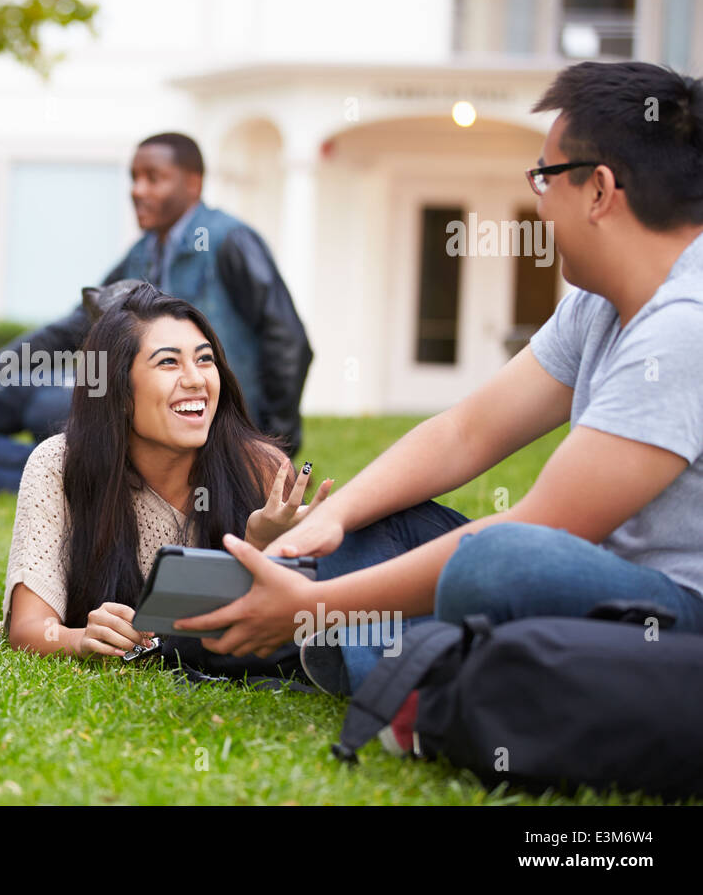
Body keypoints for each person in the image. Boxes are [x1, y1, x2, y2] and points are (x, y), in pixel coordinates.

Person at [176, 61, 703, 696]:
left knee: (502, 560)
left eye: (544, 176)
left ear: (599, 190)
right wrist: (333, 518)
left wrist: (321, 605)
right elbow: (467, 432)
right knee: (376, 519)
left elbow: (548, 527)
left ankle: (357, 653)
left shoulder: (684, 326)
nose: (537, 198)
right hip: (579, 584)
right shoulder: (597, 303)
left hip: (669, 611)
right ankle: (377, 653)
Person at [4, 283, 333, 658]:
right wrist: (78, 639)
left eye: (205, 359)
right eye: (168, 362)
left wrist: (261, 545)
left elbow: (288, 625)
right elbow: (30, 628)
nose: (195, 379)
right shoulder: (58, 465)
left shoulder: (261, 468)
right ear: (120, 390)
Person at [0, 132, 313, 456]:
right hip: (148, 409)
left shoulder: (229, 240)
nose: (137, 190)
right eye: (134, 178)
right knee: (10, 398)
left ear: (193, 183)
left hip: (204, 423)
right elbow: (74, 328)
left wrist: (273, 443)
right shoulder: (143, 252)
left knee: (47, 408)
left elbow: (288, 341)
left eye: (153, 178)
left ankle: (17, 468)